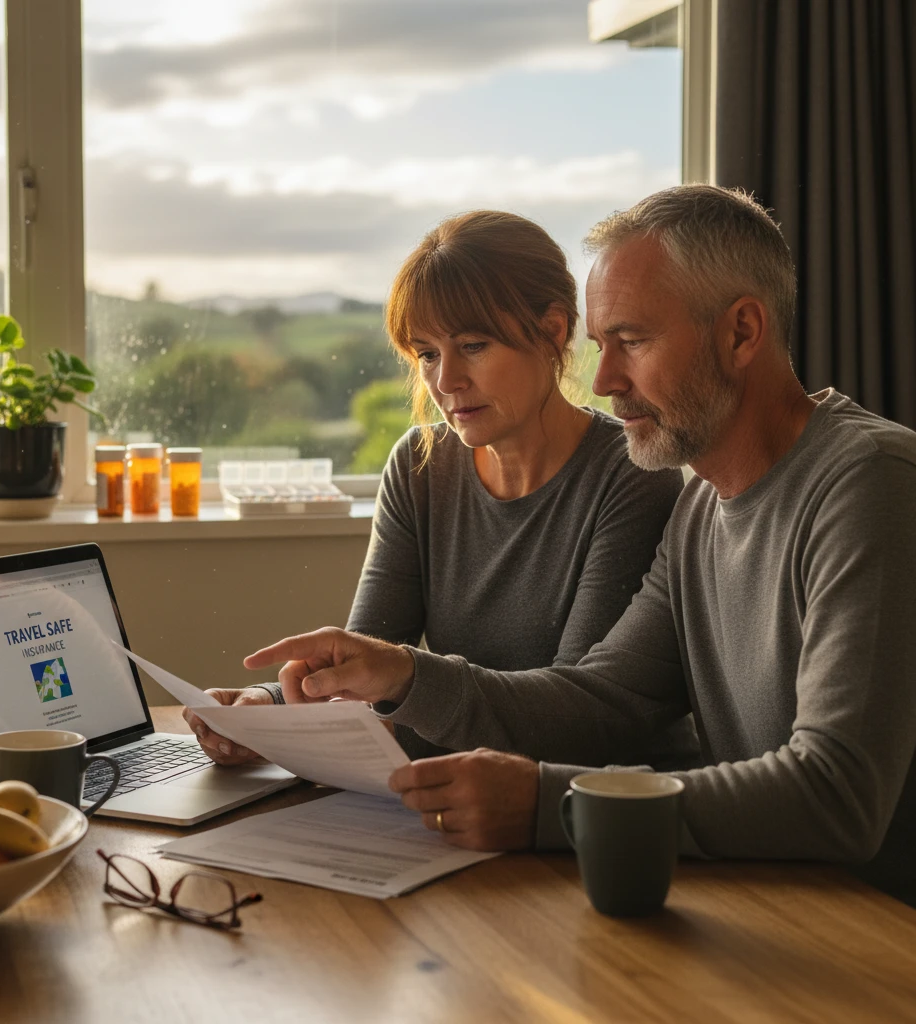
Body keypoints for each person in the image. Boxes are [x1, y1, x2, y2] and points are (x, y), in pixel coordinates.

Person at [243, 185, 916, 907]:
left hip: (875, 937)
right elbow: (604, 701)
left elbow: (838, 794)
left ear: (741, 333)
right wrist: (402, 676)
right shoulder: (698, 509)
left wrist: (546, 802)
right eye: (602, 346)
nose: (603, 381)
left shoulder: (869, 481)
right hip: (764, 904)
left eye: (632, 342)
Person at [185, 210, 694, 769]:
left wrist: (402, 682)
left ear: (552, 330)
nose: (446, 380)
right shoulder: (420, 466)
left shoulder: (631, 474)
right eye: (427, 353)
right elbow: (367, 666)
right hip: (457, 793)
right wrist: (268, 706)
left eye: (473, 345)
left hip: (592, 807)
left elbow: (573, 721)